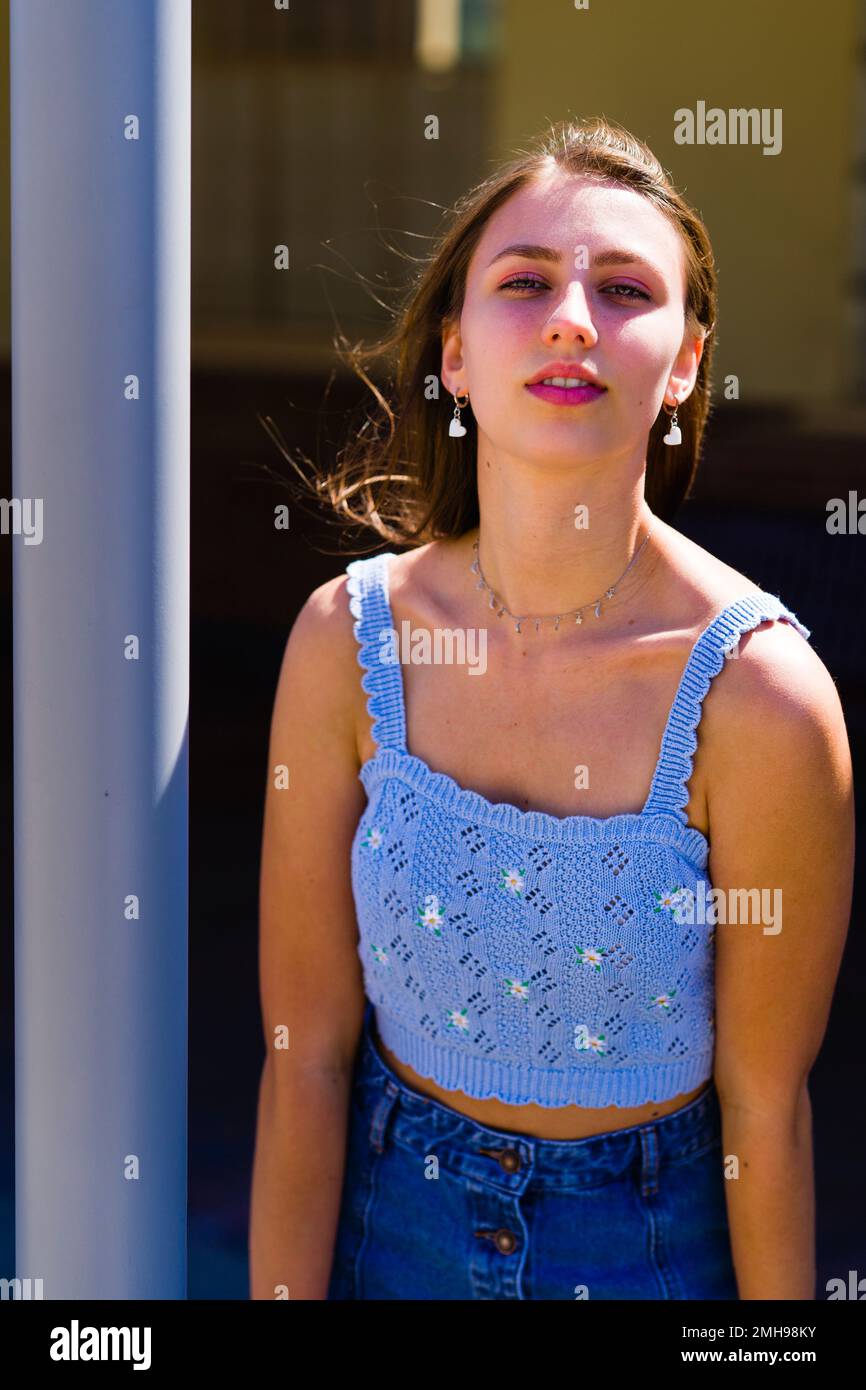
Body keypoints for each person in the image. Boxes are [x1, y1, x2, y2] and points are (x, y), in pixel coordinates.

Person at [249, 117, 854, 1301]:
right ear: (455, 355)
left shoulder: (761, 697)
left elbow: (766, 1108)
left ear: (684, 363)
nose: (572, 316)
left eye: (624, 288)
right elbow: (304, 1060)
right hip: (389, 1235)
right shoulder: (344, 641)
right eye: (523, 281)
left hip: (651, 1254)